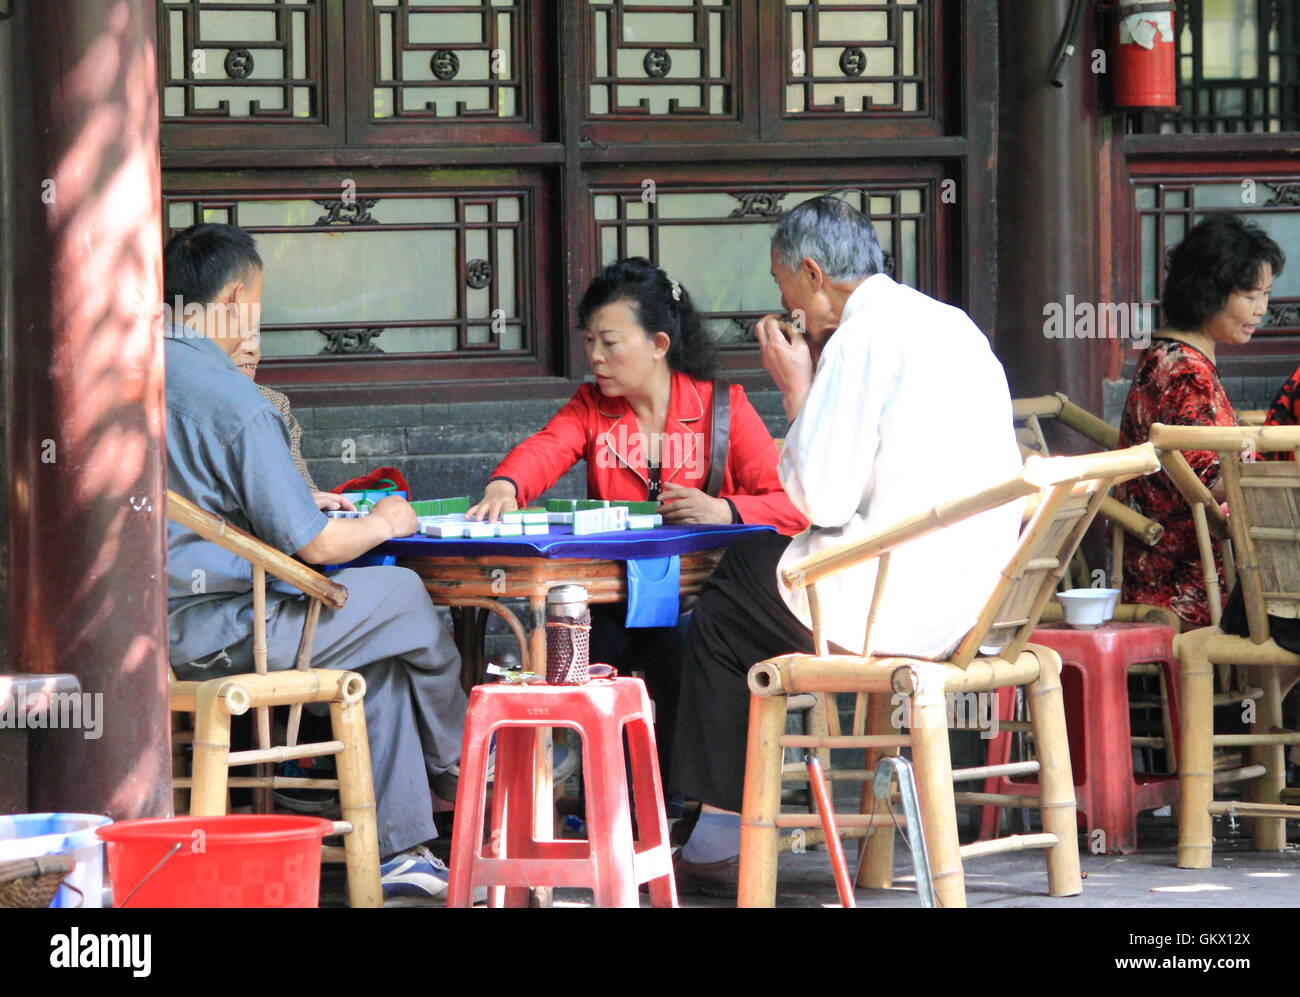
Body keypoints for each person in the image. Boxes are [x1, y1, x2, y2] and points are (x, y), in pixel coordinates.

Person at [669, 195, 1024, 896]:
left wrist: (795, 389)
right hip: (977, 600)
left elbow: (818, 500)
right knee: (756, 582)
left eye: (783, 287)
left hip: (897, 600)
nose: (785, 303)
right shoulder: (951, 324)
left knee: (728, 589)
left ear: (811, 272)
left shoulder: (862, 340)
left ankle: (717, 833)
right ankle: (737, 819)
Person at [162, 223, 469, 904]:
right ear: (237, 298)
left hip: (148, 628)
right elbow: (318, 547)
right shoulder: (234, 400)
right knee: (403, 593)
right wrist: (385, 518)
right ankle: (465, 766)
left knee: (377, 655)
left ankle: (403, 851)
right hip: (218, 632)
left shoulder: (132, 368)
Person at [468, 257, 808, 777]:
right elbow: (546, 448)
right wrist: (505, 485)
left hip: (703, 601)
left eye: (610, 342)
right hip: (614, 598)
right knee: (573, 647)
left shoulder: (723, 408)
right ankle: (606, 802)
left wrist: (725, 509)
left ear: (659, 345)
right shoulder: (590, 407)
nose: (595, 357)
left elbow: (794, 504)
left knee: (682, 650)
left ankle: (674, 806)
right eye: (589, 343)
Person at [1117, 212, 1283, 627]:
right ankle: (1267, 692)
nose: (1262, 309)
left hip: (1197, 564)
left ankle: (1270, 693)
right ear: (1207, 292)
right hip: (1191, 579)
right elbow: (1216, 484)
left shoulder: (1169, 356)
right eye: (1250, 295)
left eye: (1265, 294)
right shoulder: (1185, 373)